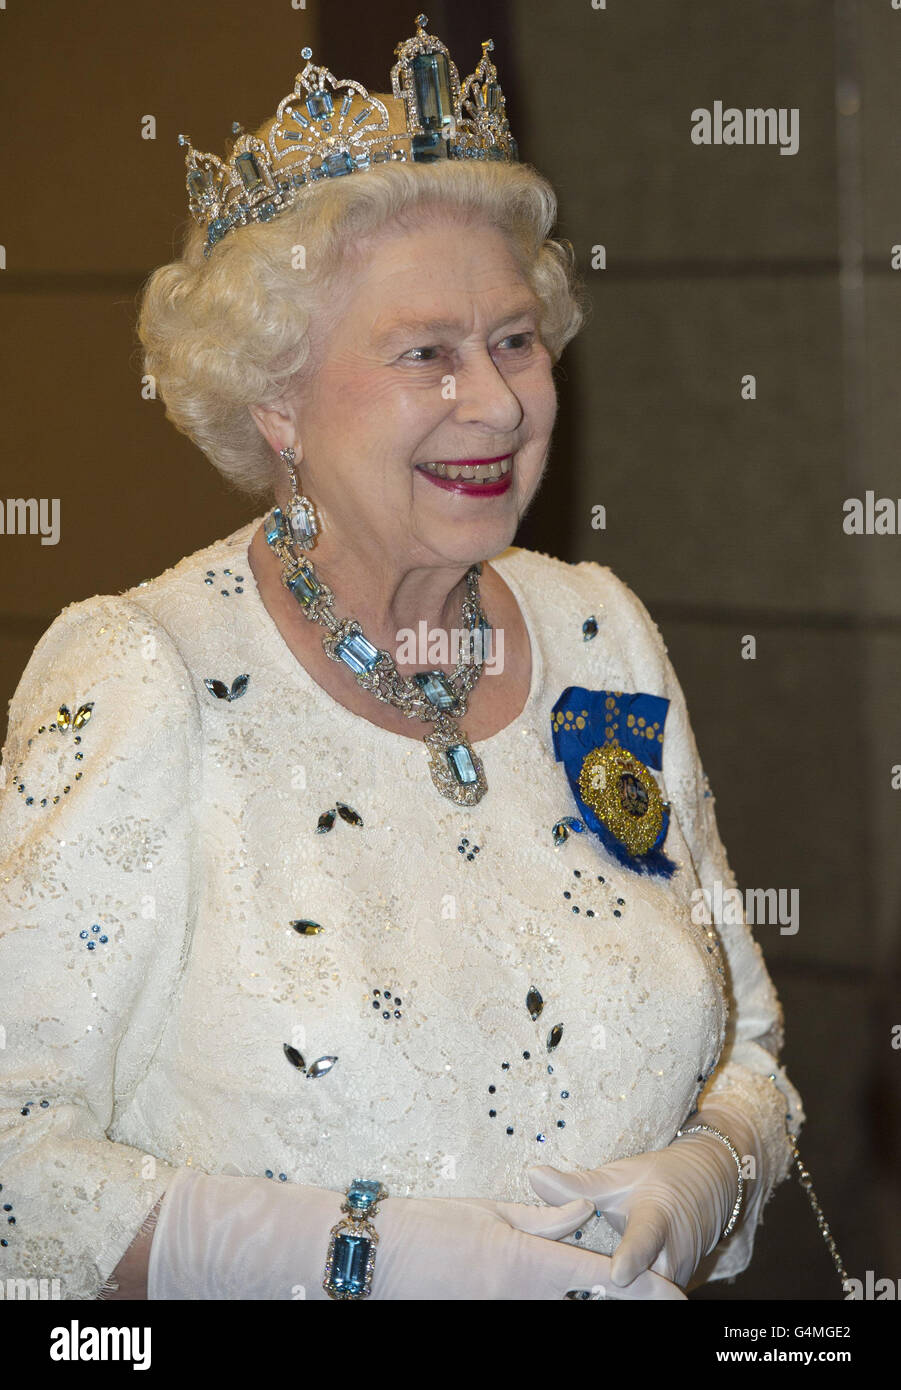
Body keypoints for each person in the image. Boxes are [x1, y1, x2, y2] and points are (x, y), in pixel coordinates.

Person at [0, 17, 803, 1301]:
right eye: (426, 352)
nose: (495, 401)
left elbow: (747, 1046)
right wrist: (376, 1261)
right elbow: (14, 1175)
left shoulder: (601, 631)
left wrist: (709, 1169)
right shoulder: (143, 669)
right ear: (275, 400)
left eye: (516, 340)